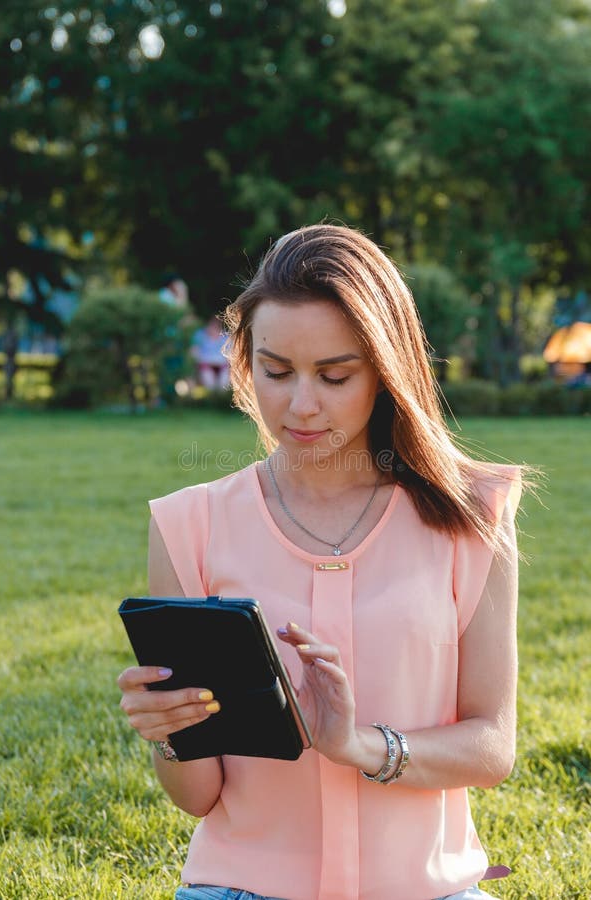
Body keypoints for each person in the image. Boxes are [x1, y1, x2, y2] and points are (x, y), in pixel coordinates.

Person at [118, 224, 526, 900]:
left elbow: (492, 746)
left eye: (335, 375)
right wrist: (167, 735)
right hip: (240, 888)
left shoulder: (473, 515)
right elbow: (198, 797)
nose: (300, 405)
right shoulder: (189, 524)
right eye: (276, 371)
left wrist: (361, 745)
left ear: (385, 370)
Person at [191, 314, 230, 390]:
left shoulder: (225, 337)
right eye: (212, 324)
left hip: (222, 366)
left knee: (224, 382)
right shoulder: (200, 335)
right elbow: (194, 352)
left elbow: (231, 354)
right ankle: (211, 398)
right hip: (205, 365)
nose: (214, 326)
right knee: (209, 381)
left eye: (216, 324)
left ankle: (221, 398)